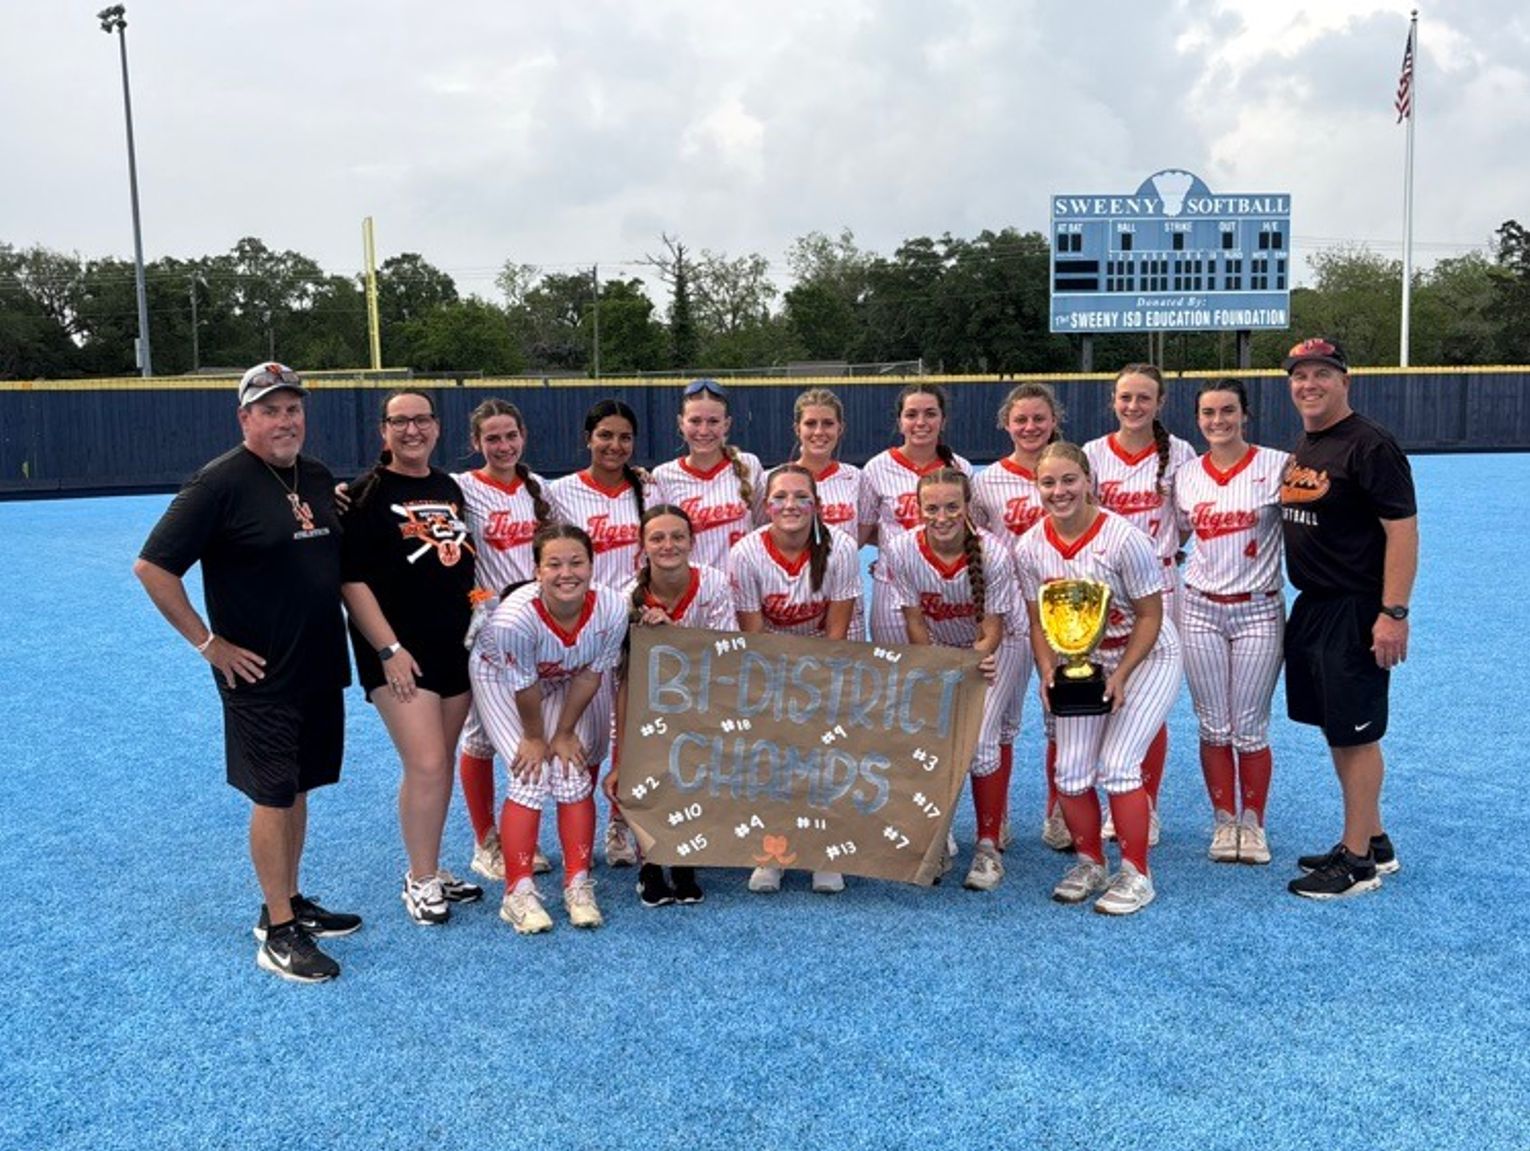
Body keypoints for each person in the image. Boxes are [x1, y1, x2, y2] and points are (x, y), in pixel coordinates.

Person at [134, 362, 358, 983]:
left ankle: (285, 900)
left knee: (301, 784)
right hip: (257, 673)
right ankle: (277, 933)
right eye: (270, 410)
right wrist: (209, 644)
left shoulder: (313, 476)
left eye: (293, 409)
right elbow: (153, 568)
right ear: (245, 419)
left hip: (318, 662)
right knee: (272, 792)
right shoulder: (217, 485)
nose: (285, 420)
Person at [1013, 442, 1183, 916]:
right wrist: (1047, 671)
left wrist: (1124, 674)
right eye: (1048, 482)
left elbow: (1151, 615)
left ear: (1089, 481)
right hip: (1082, 663)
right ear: (1036, 487)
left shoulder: (1124, 537)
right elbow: (1037, 621)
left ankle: (1136, 873)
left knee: (1119, 762)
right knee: (1069, 773)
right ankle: (1091, 862)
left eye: (1069, 480)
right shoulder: (1029, 546)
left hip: (1146, 653)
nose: (1059, 490)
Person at [1279, 337, 1418, 899]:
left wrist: (1392, 612)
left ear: (1345, 381)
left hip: (1356, 607)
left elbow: (1402, 531)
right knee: (1338, 728)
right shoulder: (1312, 442)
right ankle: (1374, 839)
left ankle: (1357, 863)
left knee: (1357, 734)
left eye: (1321, 375)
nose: (1308, 385)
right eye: (1299, 376)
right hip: (1314, 605)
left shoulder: (1370, 445)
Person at [340, 389, 484, 927]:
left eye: (421, 420)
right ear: (383, 431)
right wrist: (388, 649)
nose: (412, 430)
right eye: (399, 422)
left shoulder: (449, 487)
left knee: (439, 765)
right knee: (424, 763)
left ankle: (430, 863)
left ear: (437, 427)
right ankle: (418, 877)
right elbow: (350, 581)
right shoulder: (362, 494)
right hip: (399, 651)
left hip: (452, 644)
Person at [470, 525, 629, 934]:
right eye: (553, 564)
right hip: (500, 679)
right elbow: (524, 687)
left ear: (592, 565)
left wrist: (564, 734)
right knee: (530, 772)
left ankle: (577, 883)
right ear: (537, 570)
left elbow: (591, 676)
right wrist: (538, 738)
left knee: (573, 772)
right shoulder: (514, 618)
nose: (566, 573)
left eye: (576, 562)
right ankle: (516, 892)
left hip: (565, 678)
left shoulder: (612, 607)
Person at [884, 469, 1028, 891]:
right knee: (932, 737)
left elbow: (993, 629)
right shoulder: (903, 549)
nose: (942, 516)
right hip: (940, 650)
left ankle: (987, 847)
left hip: (995, 650)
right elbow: (914, 621)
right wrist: (939, 666)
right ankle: (936, 835)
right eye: (932, 508)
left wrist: (968, 665)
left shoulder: (994, 553)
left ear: (967, 507)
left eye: (952, 506)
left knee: (982, 742)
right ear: (918, 508)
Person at [730, 464, 862, 894]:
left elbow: (837, 631)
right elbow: (753, 634)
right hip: (771, 661)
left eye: (801, 496)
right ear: (765, 506)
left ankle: (824, 850)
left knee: (828, 753)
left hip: (830, 657)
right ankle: (773, 851)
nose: (790, 505)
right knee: (773, 754)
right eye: (780, 497)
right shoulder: (746, 552)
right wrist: (784, 689)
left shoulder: (840, 547)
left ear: (817, 504)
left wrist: (814, 688)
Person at [1174, 379, 1288, 865]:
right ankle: (1224, 820)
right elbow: (1172, 535)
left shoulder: (1278, 465)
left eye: (1227, 410)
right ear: (1197, 418)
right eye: (1207, 412)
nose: (1217, 421)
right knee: (1212, 725)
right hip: (1199, 606)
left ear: (1245, 414)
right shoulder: (1186, 474)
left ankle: (1253, 822)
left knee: (1250, 727)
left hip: (1259, 607)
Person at [1083, 364, 1196, 844]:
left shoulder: (1181, 454)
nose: (1133, 406)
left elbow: (1188, 522)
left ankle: (1144, 805)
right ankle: (1112, 802)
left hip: (1160, 589)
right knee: (1100, 698)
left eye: (1143, 398)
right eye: (1125, 397)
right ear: (1113, 400)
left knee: (1149, 704)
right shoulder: (1092, 454)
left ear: (1160, 403)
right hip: (1101, 592)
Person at [607, 505, 738, 907]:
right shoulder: (625, 598)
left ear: (692, 541)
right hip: (645, 703)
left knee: (690, 771)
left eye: (677, 537)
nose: (669, 545)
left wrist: (674, 633)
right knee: (645, 773)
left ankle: (683, 859)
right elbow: (625, 677)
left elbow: (727, 652)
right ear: (642, 546)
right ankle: (650, 864)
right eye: (658, 538)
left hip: (702, 696)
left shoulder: (713, 583)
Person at [547, 399, 655, 868]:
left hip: (635, 620)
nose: (615, 445)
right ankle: (581, 827)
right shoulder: (560, 492)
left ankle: (619, 824)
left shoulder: (648, 489)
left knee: (631, 731)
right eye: (605, 435)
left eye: (624, 437)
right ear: (588, 438)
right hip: (583, 623)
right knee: (586, 731)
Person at [451, 400, 555, 883]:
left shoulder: (543, 492)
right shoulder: (462, 489)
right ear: (476, 443)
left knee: (536, 732)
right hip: (489, 630)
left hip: (541, 626)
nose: (503, 445)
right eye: (492, 438)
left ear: (523, 436)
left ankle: (522, 836)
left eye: (510, 435)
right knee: (481, 738)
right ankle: (485, 840)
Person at [971, 382, 1065, 853]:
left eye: (1039, 418)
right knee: (1001, 723)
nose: (1030, 427)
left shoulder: (1069, 469)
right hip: (1008, 612)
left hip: (1063, 612)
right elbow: (977, 548)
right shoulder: (987, 482)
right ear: (1006, 424)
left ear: (1054, 421)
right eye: (1021, 419)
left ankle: (1060, 813)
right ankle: (998, 817)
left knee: (1063, 717)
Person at [859, 384, 972, 646]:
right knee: (893, 676)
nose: (921, 422)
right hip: (892, 589)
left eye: (930, 414)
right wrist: (889, 552)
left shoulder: (960, 468)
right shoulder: (877, 468)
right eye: (911, 415)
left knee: (946, 677)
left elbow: (970, 528)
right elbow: (864, 531)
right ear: (900, 422)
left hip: (947, 590)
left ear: (943, 420)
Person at [652, 379, 764, 569]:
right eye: (695, 421)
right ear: (681, 423)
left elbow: (765, 529)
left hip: (743, 589)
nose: (703, 431)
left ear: (726, 424)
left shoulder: (749, 464)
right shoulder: (663, 476)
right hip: (692, 592)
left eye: (713, 421)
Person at [788, 388, 865, 639]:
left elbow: (866, 529)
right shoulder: (775, 480)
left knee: (849, 675)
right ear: (797, 428)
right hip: (792, 603)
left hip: (846, 597)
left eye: (828, 423)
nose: (819, 432)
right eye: (810, 423)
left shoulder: (856, 478)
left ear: (840, 428)